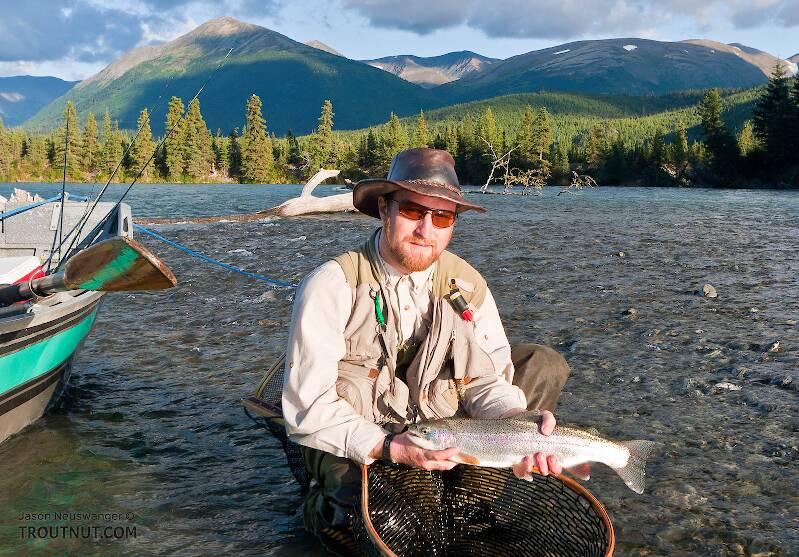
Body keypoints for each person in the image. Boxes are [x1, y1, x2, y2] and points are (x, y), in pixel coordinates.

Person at [282, 148, 571, 543]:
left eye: (442, 217)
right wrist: (388, 448)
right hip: (355, 427)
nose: (426, 230)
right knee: (371, 519)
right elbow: (309, 408)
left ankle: (471, 498)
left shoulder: (468, 286)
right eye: (414, 212)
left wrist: (518, 422)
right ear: (384, 210)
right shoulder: (332, 285)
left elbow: (485, 379)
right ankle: (324, 509)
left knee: (541, 363)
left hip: (437, 420)